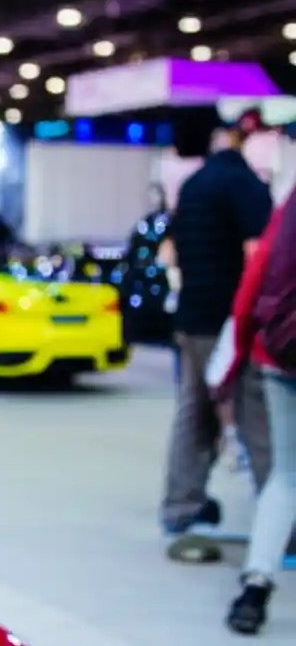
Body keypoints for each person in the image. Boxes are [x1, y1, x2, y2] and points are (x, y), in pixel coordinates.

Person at [160, 109, 274, 563]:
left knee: (195, 413)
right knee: (257, 416)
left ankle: (181, 506)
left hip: (191, 318)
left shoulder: (194, 186)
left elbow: (170, 251)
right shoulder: (243, 183)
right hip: (229, 320)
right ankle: (280, 521)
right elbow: (258, 255)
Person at [222, 195, 293, 634]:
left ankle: (256, 586)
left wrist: (245, 339)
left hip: (283, 353)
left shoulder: (291, 207)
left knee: (285, 476)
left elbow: (260, 267)